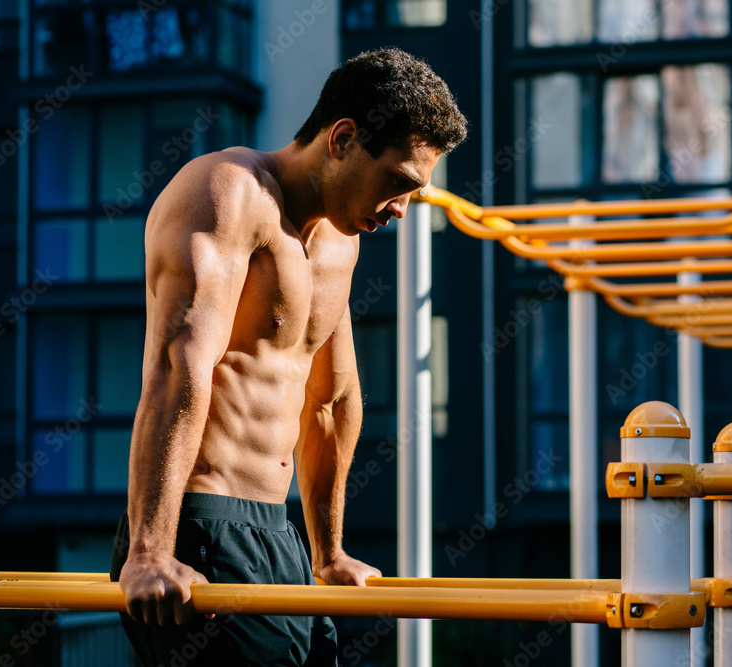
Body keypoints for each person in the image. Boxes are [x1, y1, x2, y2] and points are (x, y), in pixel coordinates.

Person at [109, 47, 467, 667]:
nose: (403, 208)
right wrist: (149, 550)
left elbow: (329, 401)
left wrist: (327, 554)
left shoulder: (338, 242)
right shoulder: (228, 191)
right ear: (343, 139)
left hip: (281, 535)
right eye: (399, 182)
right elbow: (178, 364)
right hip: (198, 523)